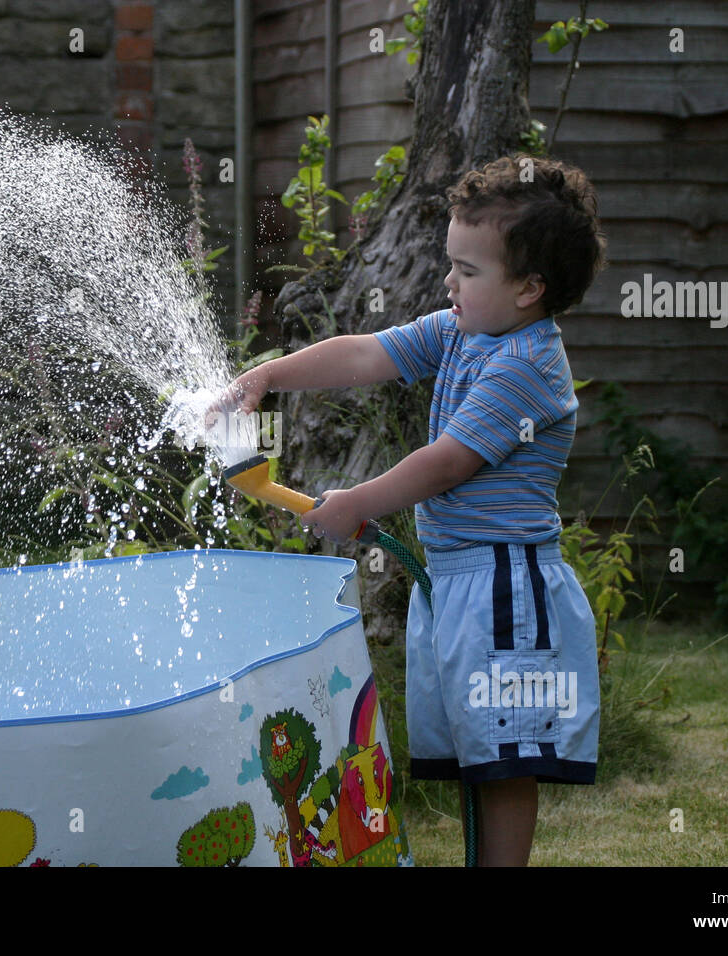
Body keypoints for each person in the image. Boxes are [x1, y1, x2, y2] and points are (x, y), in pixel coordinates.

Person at [212, 154, 608, 866]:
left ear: (529, 288)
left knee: (505, 758)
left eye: (467, 270)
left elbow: (449, 460)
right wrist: (269, 373)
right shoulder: (463, 333)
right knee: (475, 751)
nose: (447, 282)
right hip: (457, 582)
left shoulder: (525, 363)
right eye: (449, 263)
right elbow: (367, 352)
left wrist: (355, 503)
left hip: (502, 589)